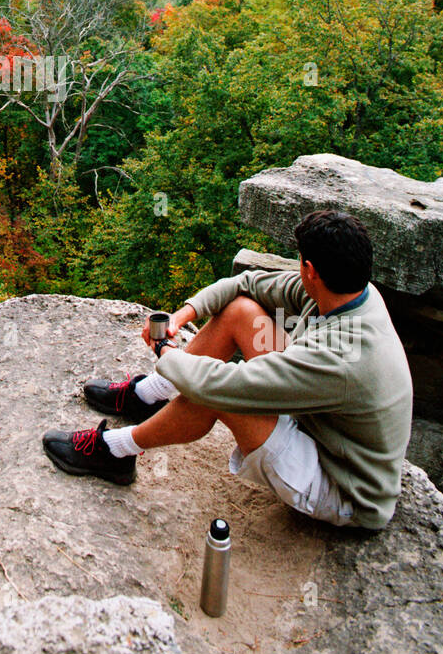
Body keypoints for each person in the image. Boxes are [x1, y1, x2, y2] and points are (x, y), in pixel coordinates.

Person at [42, 209, 413, 530]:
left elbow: (224, 384)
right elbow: (246, 284)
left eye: (298, 259)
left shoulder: (343, 359)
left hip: (342, 487)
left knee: (220, 393)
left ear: (310, 270)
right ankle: (148, 395)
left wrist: (166, 352)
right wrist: (182, 316)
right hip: (322, 421)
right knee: (241, 312)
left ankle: (116, 452)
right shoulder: (350, 292)